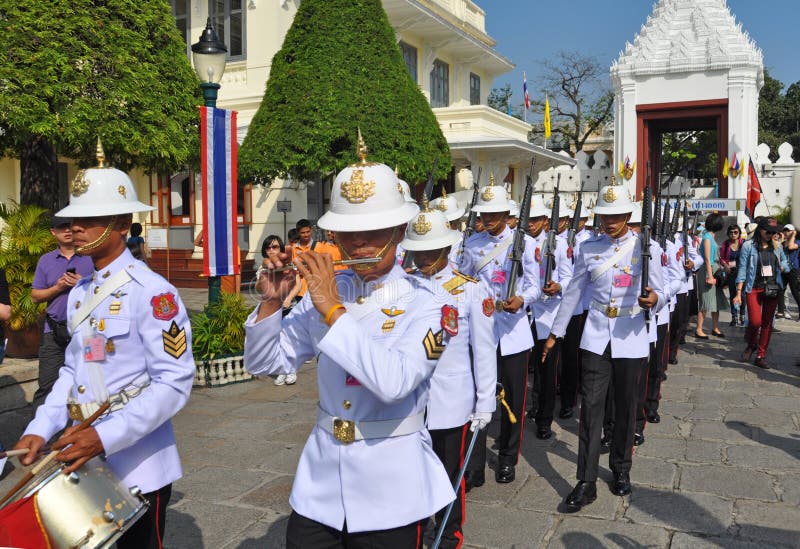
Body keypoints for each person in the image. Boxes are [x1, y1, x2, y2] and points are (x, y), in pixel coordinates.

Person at [244, 135, 455, 548]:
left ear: (398, 230)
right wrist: (271, 305)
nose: (359, 244)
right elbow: (269, 364)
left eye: (373, 231)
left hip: (391, 484)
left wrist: (330, 309)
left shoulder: (432, 304)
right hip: (321, 481)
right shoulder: (330, 290)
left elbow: (395, 382)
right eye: (347, 232)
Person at [14, 146, 195, 548]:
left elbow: (175, 382)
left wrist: (107, 436)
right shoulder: (80, 291)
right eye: (74, 218)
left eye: (89, 219)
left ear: (121, 222)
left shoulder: (153, 293)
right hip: (82, 455)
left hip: (138, 464)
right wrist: (40, 428)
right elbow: (71, 371)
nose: (75, 227)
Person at [543, 180, 665, 510]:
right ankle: (586, 481)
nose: (610, 222)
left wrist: (653, 298)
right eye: (604, 216)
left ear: (627, 215)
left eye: (616, 216)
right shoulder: (588, 248)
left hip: (631, 336)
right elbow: (572, 293)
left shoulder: (646, 247)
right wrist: (556, 333)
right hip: (596, 336)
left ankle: (621, 469)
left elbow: (663, 290)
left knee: (626, 407)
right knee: (591, 409)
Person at [401, 203, 496, 549]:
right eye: (419, 251)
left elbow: (484, 351)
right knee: (413, 470)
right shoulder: (403, 287)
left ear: (446, 248)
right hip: (410, 397)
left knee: (448, 473)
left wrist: (484, 402)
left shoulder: (470, 289)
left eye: (431, 251)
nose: (424, 258)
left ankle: (448, 534)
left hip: (450, 400)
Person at [460, 176, 541, 484]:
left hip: (513, 333)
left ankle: (507, 458)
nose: (489, 220)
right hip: (480, 332)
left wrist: (522, 299)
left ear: (507, 215)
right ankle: (474, 465)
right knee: (477, 398)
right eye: (484, 215)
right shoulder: (472, 244)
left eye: (494, 215)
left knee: (514, 400)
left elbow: (534, 286)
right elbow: (463, 282)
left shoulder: (526, 243)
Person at [30, 216, 94, 413]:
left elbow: (108, 288)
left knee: (90, 383)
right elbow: (35, 296)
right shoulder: (46, 260)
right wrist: (57, 287)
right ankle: (41, 435)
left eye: (70, 226)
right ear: (53, 232)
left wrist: (83, 283)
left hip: (88, 332)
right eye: (61, 228)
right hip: (53, 332)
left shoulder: (91, 256)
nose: (67, 231)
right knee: (47, 385)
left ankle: (81, 432)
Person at [526, 194, 572, 439]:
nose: (531, 224)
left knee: (545, 372)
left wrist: (558, 286)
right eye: (528, 220)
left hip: (547, 314)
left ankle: (544, 418)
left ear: (545, 220)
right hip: (523, 314)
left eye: (535, 220)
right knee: (524, 372)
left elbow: (569, 277)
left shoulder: (559, 245)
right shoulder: (517, 243)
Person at [734, 217, 790, 369]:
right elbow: (742, 269)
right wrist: (738, 292)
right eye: (768, 231)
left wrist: (783, 266)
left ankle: (761, 354)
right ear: (760, 230)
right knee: (755, 321)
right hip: (753, 287)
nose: (771, 234)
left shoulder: (777, 246)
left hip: (772, 288)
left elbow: (785, 262)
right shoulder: (748, 246)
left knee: (767, 324)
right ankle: (751, 344)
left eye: (774, 232)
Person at [260, 235, 301, 385]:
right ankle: (282, 370)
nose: (271, 250)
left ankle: (291, 370)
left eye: (275, 246)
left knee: (288, 339)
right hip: (272, 309)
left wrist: (289, 298)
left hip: (289, 307)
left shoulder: (288, 264)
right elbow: (259, 289)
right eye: (268, 247)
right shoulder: (264, 266)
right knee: (276, 341)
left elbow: (298, 285)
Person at [695, 213, 727, 339]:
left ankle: (715, 327)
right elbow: (707, 259)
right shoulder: (707, 238)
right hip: (708, 271)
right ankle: (699, 329)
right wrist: (710, 276)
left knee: (716, 301)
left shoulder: (710, 237)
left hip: (714, 270)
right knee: (706, 300)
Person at [721, 224, 745, 326]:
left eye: (736, 232)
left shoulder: (744, 243)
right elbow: (721, 257)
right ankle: (734, 317)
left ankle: (742, 316)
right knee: (732, 294)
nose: (733, 234)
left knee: (743, 295)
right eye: (731, 232)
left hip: (742, 272)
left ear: (739, 233)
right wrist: (725, 265)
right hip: (731, 272)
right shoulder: (725, 244)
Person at [779, 224, 800, 319]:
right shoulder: (782, 244)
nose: (786, 232)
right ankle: (781, 311)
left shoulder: (798, 242)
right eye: (785, 230)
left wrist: (793, 235)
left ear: (793, 232)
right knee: (780, 290)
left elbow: (791, 247)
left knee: (795, 292)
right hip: (783, 271)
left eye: (788, 230)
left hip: (793, 270)